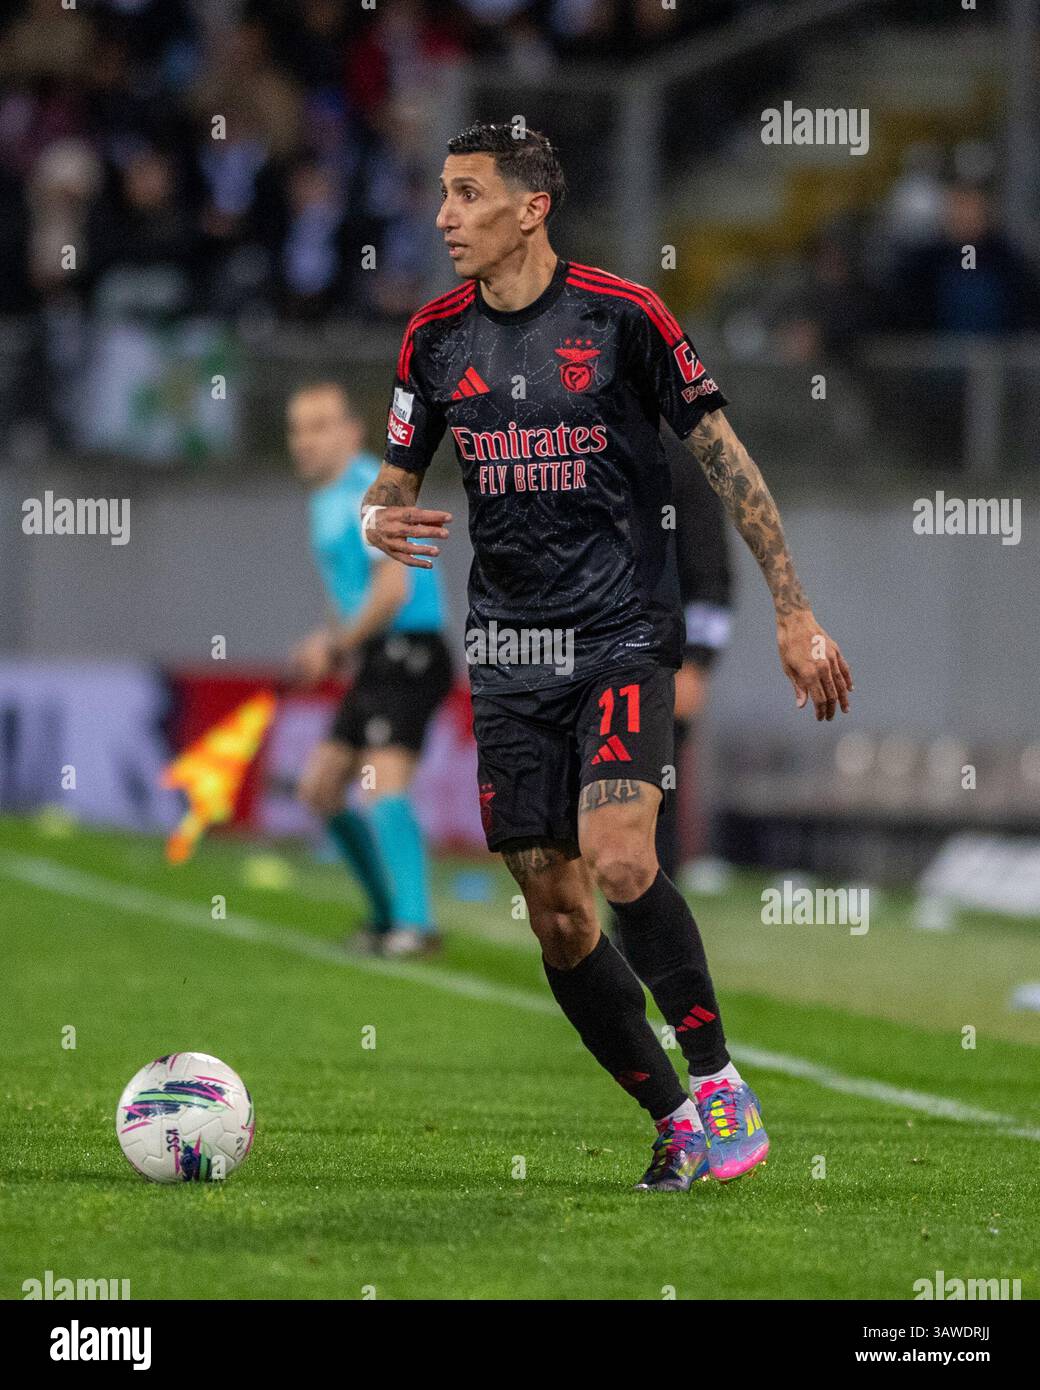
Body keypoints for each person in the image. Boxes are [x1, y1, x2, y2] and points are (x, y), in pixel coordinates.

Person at [362, 123, 852, 1189]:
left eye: (464, 194)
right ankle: (672, 1117)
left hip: (621, 629)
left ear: (529, 208)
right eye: (441, 195)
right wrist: (376, 520)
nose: (442, 216)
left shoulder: (623, 316)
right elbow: (392, 483)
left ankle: (717, 1076)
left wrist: (790, 611)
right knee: (555, 909)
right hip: (505, 650)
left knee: (622, 856)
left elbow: (726, 464)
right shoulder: (432, 340)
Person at [286, 382, 453, 958]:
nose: (304, 441)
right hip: (377, 658)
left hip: (411, 651)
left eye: (319, 426)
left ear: (352, 432)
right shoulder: (322, 500)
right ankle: (386, 917)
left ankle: (417, 925)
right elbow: (349, 596)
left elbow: (392, 588)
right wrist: (330, 639)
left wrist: (333, 649)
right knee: (320, 788)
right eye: (297, 428)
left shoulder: (372, 492)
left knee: (383, 784)